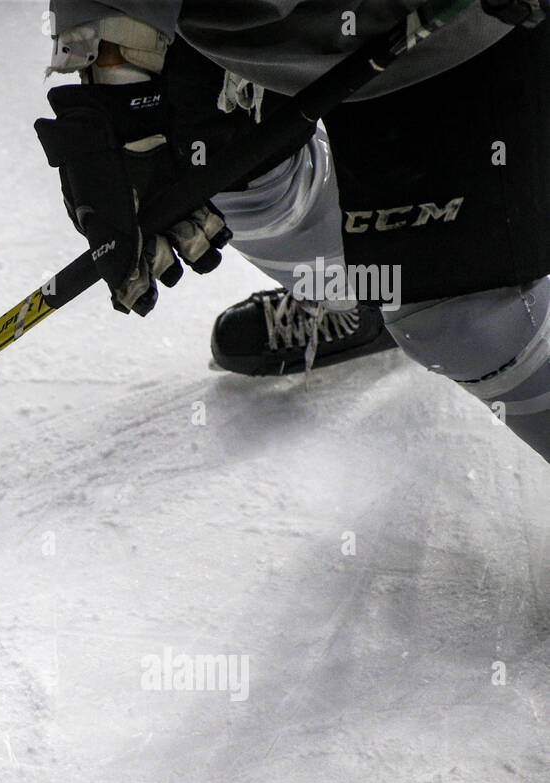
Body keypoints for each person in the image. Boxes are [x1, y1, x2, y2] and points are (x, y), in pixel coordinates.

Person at [36, 0, 550, 458]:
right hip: (244, 22)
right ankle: (365, 293)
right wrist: (119, 74)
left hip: (442, 22)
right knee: (211, 172)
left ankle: (425, 284)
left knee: (468, 315)